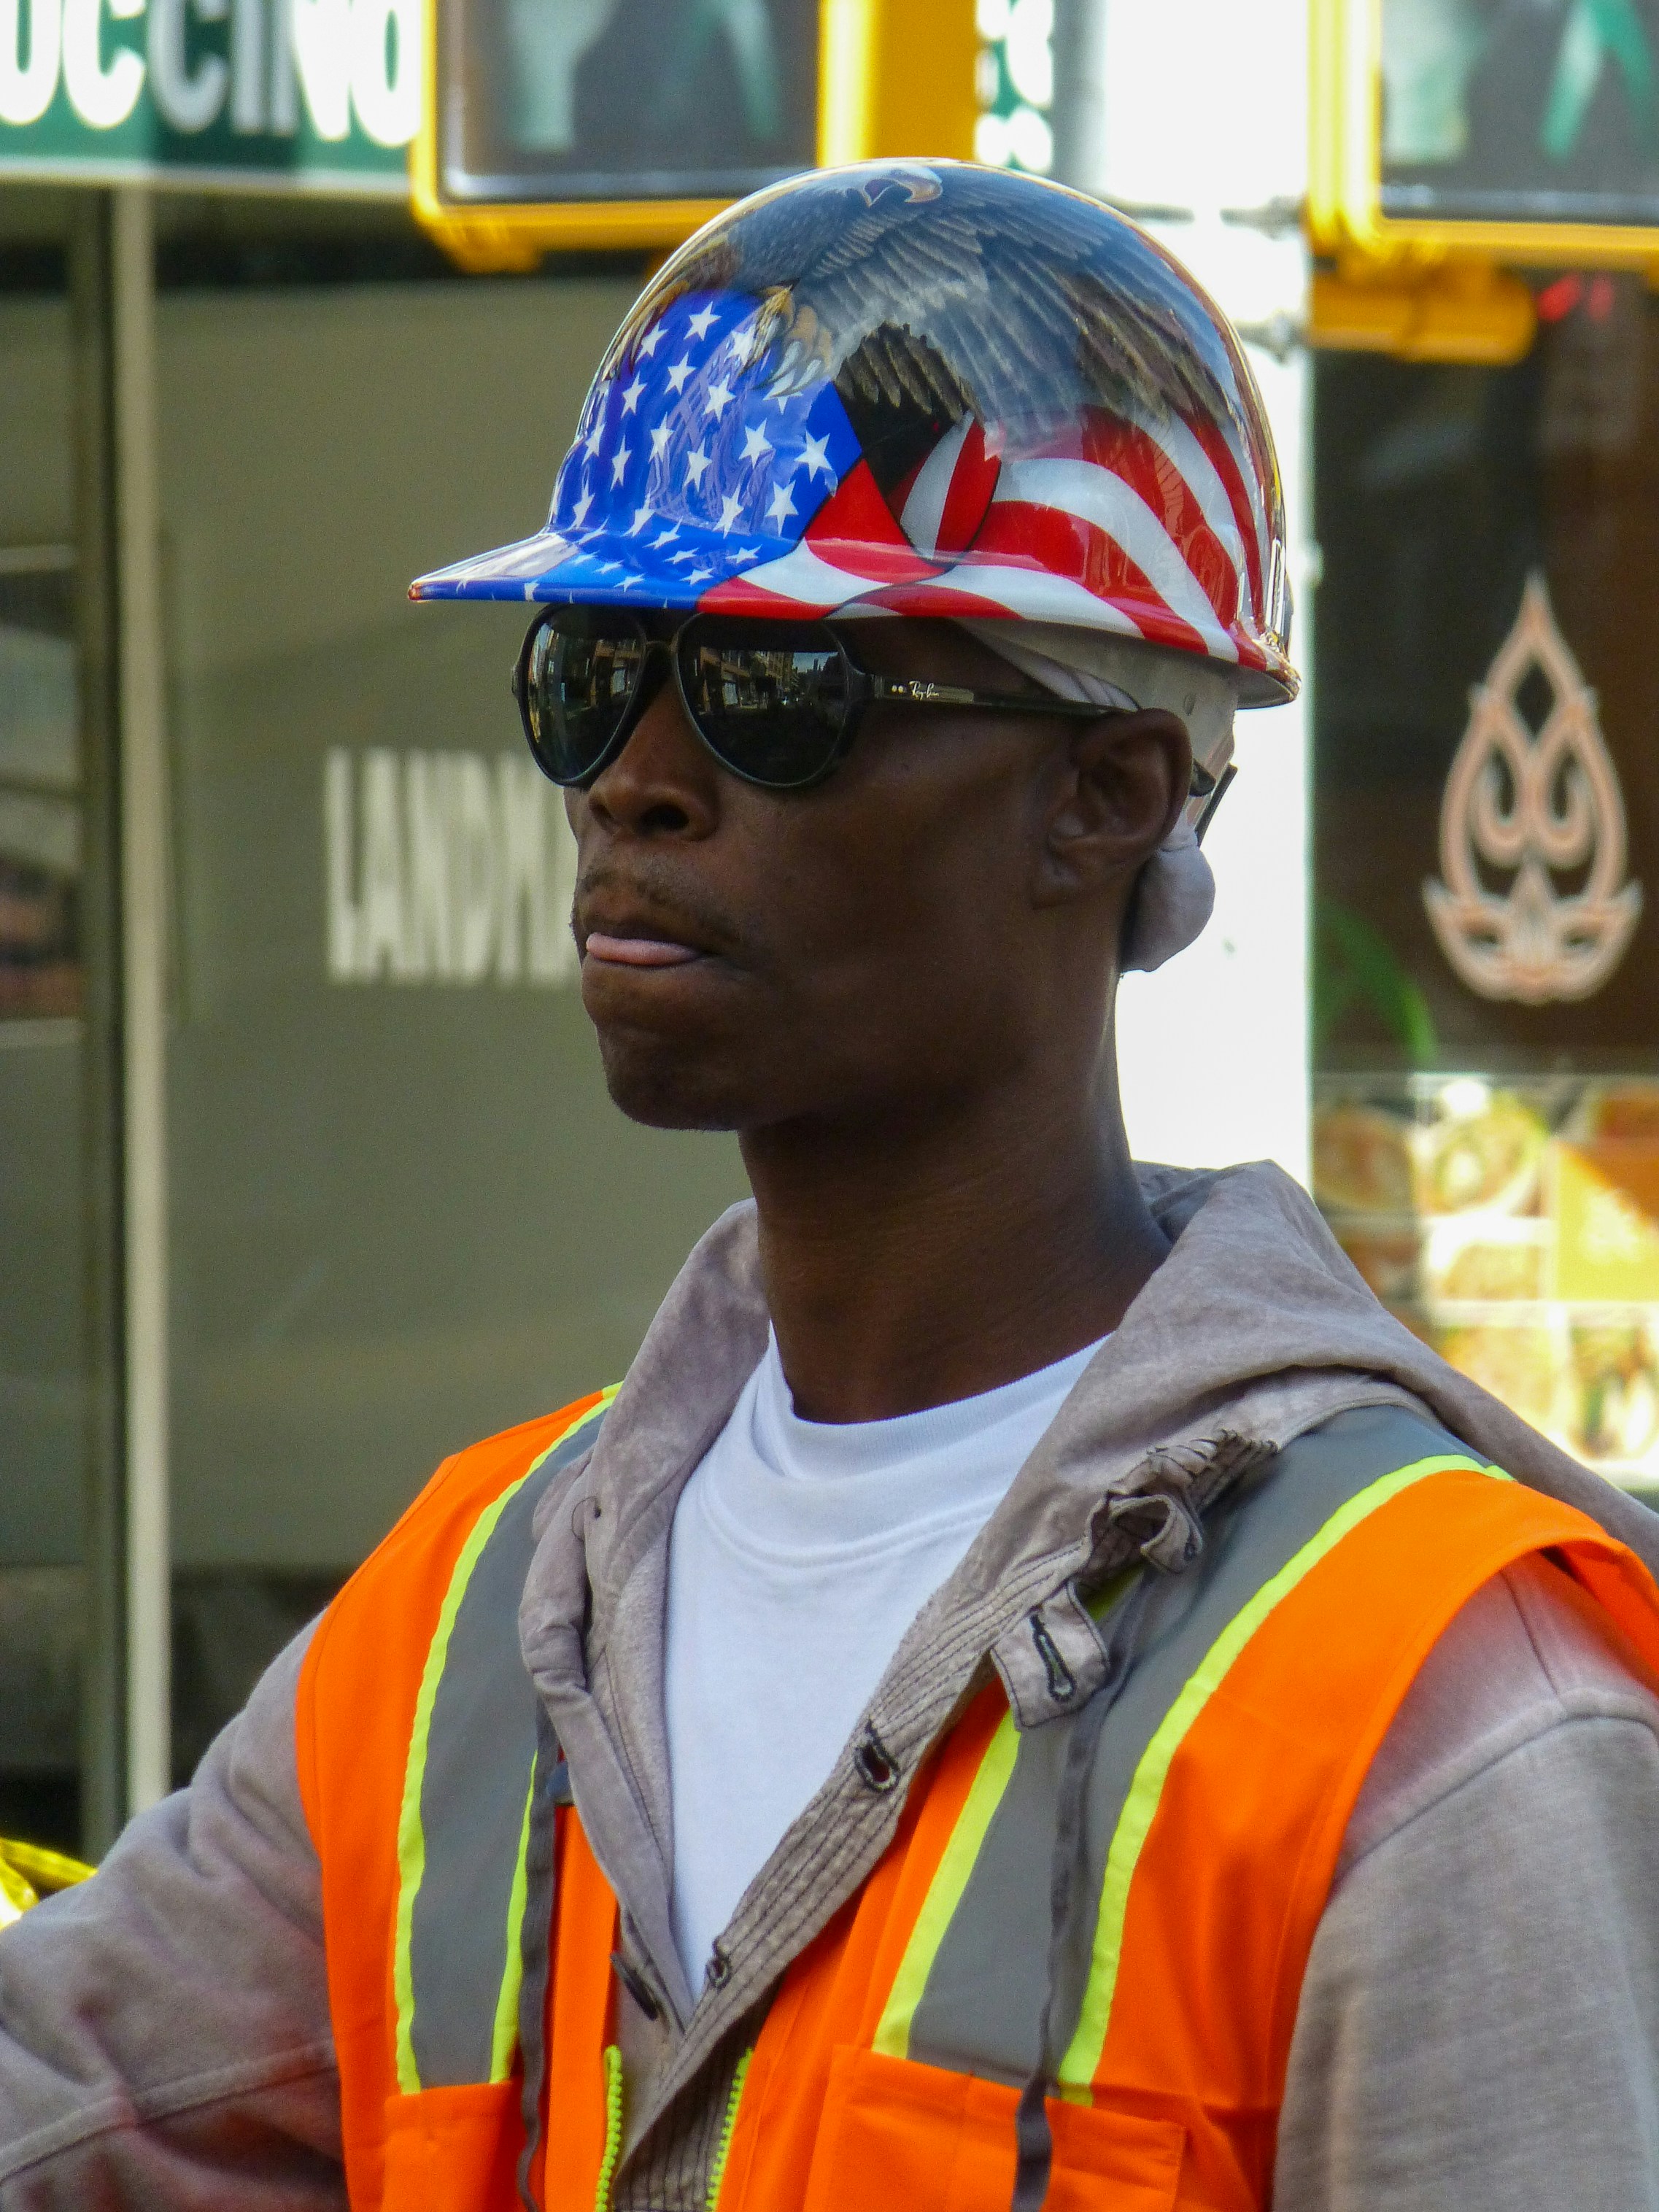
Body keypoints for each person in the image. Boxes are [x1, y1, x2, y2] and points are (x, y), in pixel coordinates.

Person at [4, 158, 1659, 2212]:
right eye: (588, 672)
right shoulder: (472, 1617)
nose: (634, 777)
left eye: (773, 693)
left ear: (1107, 792)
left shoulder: (1428, 1692)